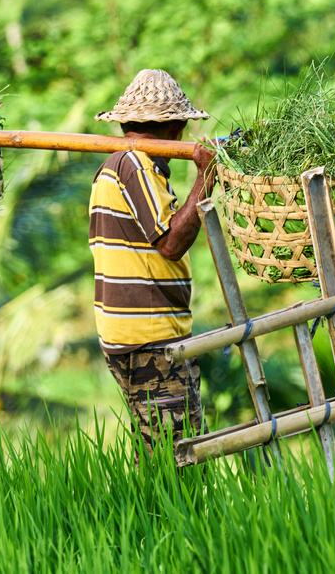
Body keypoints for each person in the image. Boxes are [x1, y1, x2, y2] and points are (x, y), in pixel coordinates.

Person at [90, 69, 216, 457]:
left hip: (134, 335)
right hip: (150, 339)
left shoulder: (120, 166)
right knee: (181, 456)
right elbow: (171, 242)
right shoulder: (135, 165)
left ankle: (157, 517)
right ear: (174, 127)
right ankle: (175, 519)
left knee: (160, 448)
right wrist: (205, 178)